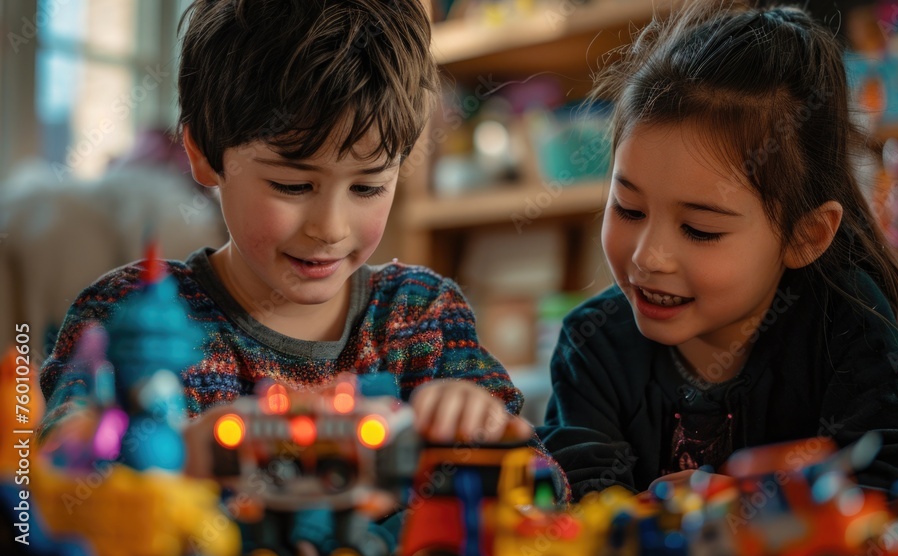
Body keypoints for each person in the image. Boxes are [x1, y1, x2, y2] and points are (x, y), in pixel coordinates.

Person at [39, 0, 532, 462]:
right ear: (203, 154)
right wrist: (171, 457)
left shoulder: (420, 317)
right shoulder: (130, 315)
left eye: (367, 188)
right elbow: (50, 482)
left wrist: (483, 428)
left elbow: (542, 485)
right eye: (292, 185)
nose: (330, 229)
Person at [536, 1, 898, 500]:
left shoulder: (843, 323)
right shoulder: (594, 346)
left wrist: (754, 503)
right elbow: (572, 506)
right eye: (629, 209)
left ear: (806, 236)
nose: (648, 258)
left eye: (699, 229)